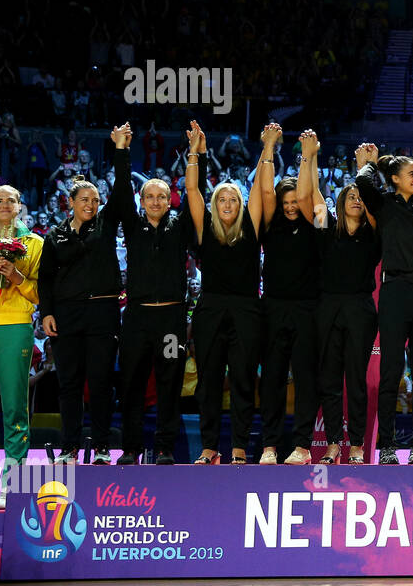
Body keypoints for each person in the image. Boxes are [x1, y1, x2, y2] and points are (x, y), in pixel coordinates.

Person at [354, 103, 413, 464]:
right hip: (393, 293)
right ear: (394, 179)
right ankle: (389, 445)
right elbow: (363, 182)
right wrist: (371, 162)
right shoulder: (383, 203)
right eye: (410, 173)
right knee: (392, 371)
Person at [184, 121, 275, 464]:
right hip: (209, 310)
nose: (226, 203)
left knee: (241, 380)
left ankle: (238, 447)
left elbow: (260, 189)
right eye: (221, 198)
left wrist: (267, 147)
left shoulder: (251, 228)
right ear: (214, 204)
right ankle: (209, 448)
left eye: (232, 198)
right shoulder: (205, 228)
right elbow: (193, 191)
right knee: (207, 382)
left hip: (247, 311)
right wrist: (195, 152)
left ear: (239, 204)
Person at [37, 125, 125, 464]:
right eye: (84, 199)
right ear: (70, 202)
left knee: (101, 383)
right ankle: (69, 448)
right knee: (69, 384)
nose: (90, 204)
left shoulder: (107, 225)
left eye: (95, 200)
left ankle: (102, 447)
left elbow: (119, 190)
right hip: (66, 316)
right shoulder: (54, 235)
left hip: (102, 313)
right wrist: (47, 312)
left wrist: (119, 149)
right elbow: (45, 279)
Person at [114, 121, 198, 465]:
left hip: (170, 317)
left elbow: (197, 196)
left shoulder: (181, 226)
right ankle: (131, 449)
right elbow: (120, 191)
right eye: (149, 196)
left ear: (169, 199)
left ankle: (164, 447)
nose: (155, 201)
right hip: (137, 317)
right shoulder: (132, 225)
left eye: (161, 196)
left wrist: (197, 155)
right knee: (131, 384)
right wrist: (122, 151)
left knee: (169, 383)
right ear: (142, 200)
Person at [300, 131, 380, 465]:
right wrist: (311, 155)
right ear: (341, 202)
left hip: (360, 308)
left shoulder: (374, 232)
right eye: (351, 195)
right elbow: (311, 197)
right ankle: (334, 442)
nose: (356, 200)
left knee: (356, 381)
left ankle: (358, 444)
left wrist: (369, 168)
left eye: (360, 197)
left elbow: (376, 205)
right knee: (329, 380)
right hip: (328, 308)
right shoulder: (326, 229)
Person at [252, 129, 323, 466]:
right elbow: (265, 189)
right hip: (274, 309)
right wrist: (268, 147)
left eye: (297, 201)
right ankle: (270, 445)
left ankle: (302, 447)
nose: (293, 206)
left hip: (308, 310)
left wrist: (309, 157)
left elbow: (314, 196)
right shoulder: (270, 225)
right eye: (287, 202)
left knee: (306, 380)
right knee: (273, 379)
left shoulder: (314, 224)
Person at [0, 183, 43, 509]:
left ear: (19, 205)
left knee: (15, 409)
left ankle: (11, 488)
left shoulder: (35, 244)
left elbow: (41, 295)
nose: (3, 205)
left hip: (14, 328)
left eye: (10, 200)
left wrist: (17, 279)